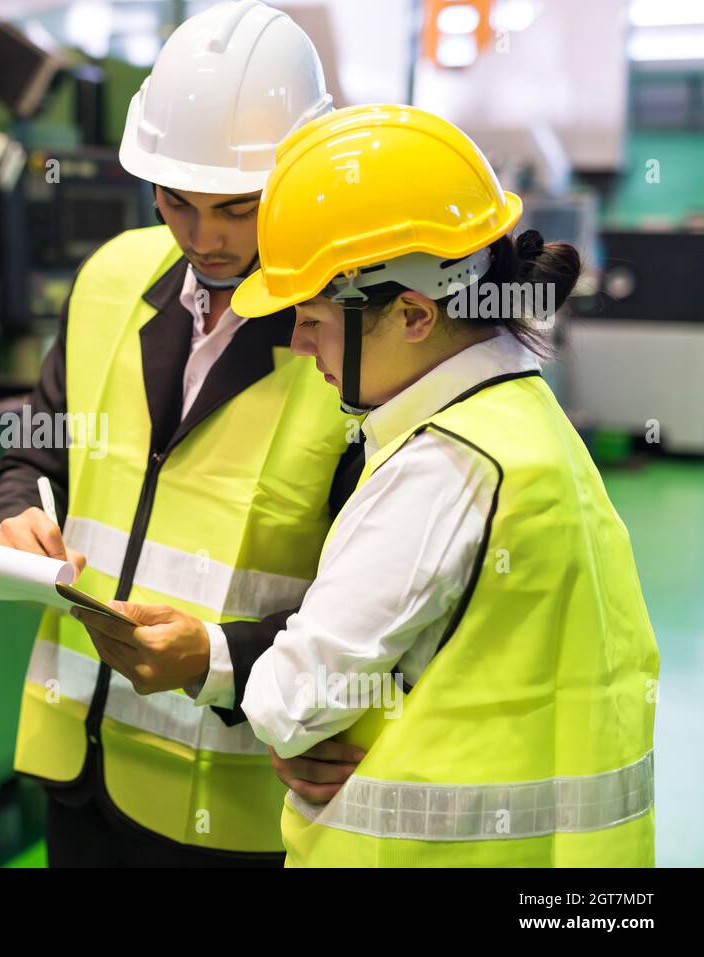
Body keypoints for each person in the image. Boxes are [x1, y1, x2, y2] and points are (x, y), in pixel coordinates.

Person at [75, 104, 659, 866]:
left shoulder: (441, 465)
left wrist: (291, 706)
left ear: (413, 314)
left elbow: (290, 702)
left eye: (313, 317)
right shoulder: (520, 420)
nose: (296, 341)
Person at [0, 1, 364, 866]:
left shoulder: (347, 335)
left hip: (234, 796)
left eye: (238, 207)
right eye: (178, 202)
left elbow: (378, 593)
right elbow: (34, 447)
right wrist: (14, 515)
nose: (206, 237)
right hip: (80, 764)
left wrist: (219, 657)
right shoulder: (113, 277)